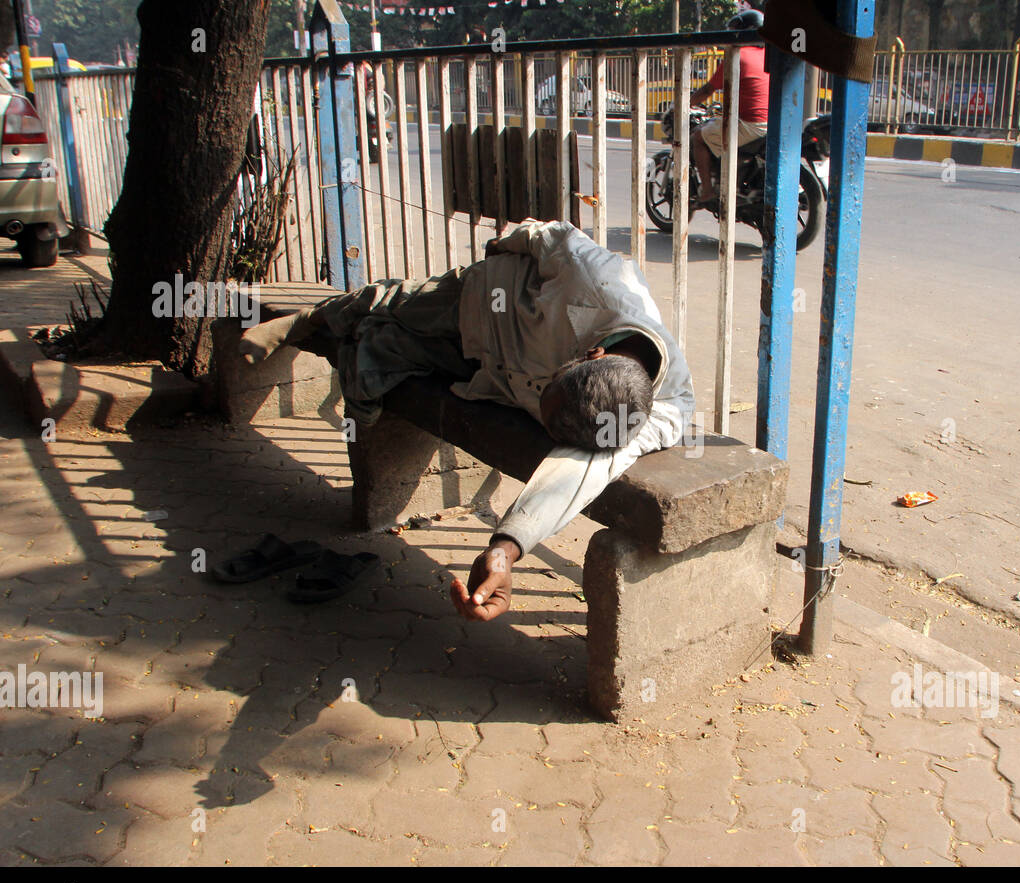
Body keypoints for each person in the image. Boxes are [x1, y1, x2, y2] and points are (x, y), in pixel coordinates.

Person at [239, 219, 695, 622]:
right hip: (488, 297)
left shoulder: (664, 411)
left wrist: (505, 548)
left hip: (495, 372)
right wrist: (501, 250)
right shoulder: (600, 279)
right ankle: (304, 320)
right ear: (590, 353)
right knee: (388, 301)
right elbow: (546, 235)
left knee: (387, 352)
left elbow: (583, 468)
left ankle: (364, 343)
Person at [689, 3, 769, 207]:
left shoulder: (737, 56)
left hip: (750, 125)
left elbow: (708, 90)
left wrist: (685, 103)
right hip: (772, 124)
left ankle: (707, 191)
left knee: (698, 136)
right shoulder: (768, 55)